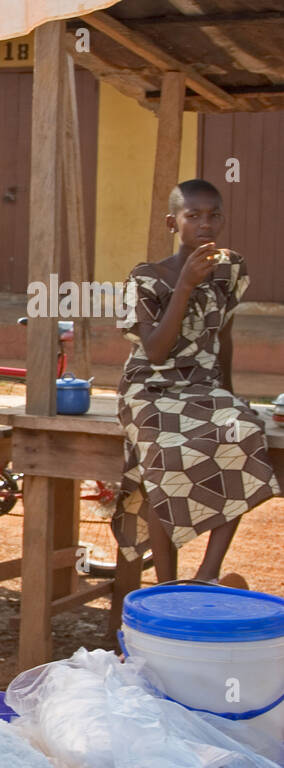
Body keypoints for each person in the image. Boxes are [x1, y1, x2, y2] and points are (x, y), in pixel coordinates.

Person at [111, 179, 279, 585]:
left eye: (213, 215)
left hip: (202, 389)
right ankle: (167, 584)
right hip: (149, 388)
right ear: (173, 222)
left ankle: (207, 573)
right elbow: (153, 350)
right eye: (193, 215)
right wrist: (184, 285)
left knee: (245, 433)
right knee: (166, 458)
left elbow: (224, 335)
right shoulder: (146, 278)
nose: (205, 223)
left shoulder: (230, 269)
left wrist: (229, 395)